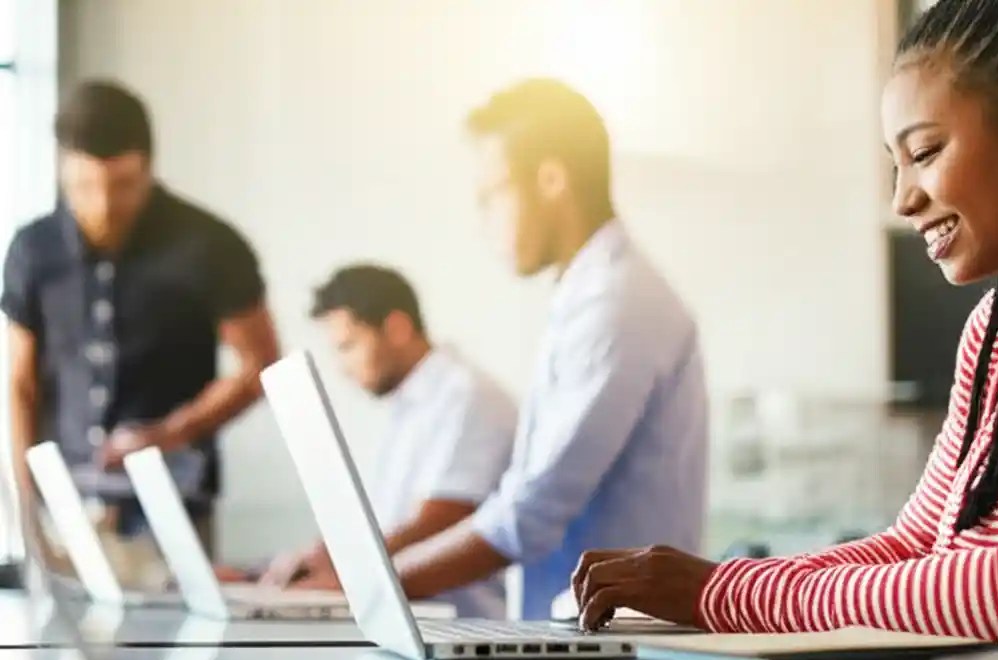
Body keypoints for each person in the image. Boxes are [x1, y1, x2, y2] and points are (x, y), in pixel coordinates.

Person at [381, 0, 998, 660]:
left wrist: (720, 595)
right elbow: (912, 547)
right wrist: (707, 586)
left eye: (925, 153)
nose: (903, 198)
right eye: (895, 163)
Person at [384, 79, 708, 621]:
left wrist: (377, 587)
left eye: (491, 195)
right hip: (581, 634)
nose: (482, 220)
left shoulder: (616, 303)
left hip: (613, 646)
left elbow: (528, 516)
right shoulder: (588, 295)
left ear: (552, 178)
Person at [4, 80, 279, 565]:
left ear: (149, 167)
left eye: (123, 186)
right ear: (62, 170)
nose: (104, 207)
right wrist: (24, 505)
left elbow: (260, 365)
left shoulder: (211, 245)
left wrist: (170, 432)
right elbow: (21, 383)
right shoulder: (32, 250)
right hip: (62, 513)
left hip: (173, 513)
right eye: (84, 188)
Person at [244, 265, 517, 619]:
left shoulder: (466, 396)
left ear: (397, 328)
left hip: (455, 621)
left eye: (348, 346)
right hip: (402, 615)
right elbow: (386, 526)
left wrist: (342, 569)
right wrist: (315, 557)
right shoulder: (408, 405)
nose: (342, 367)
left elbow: (442, 520)